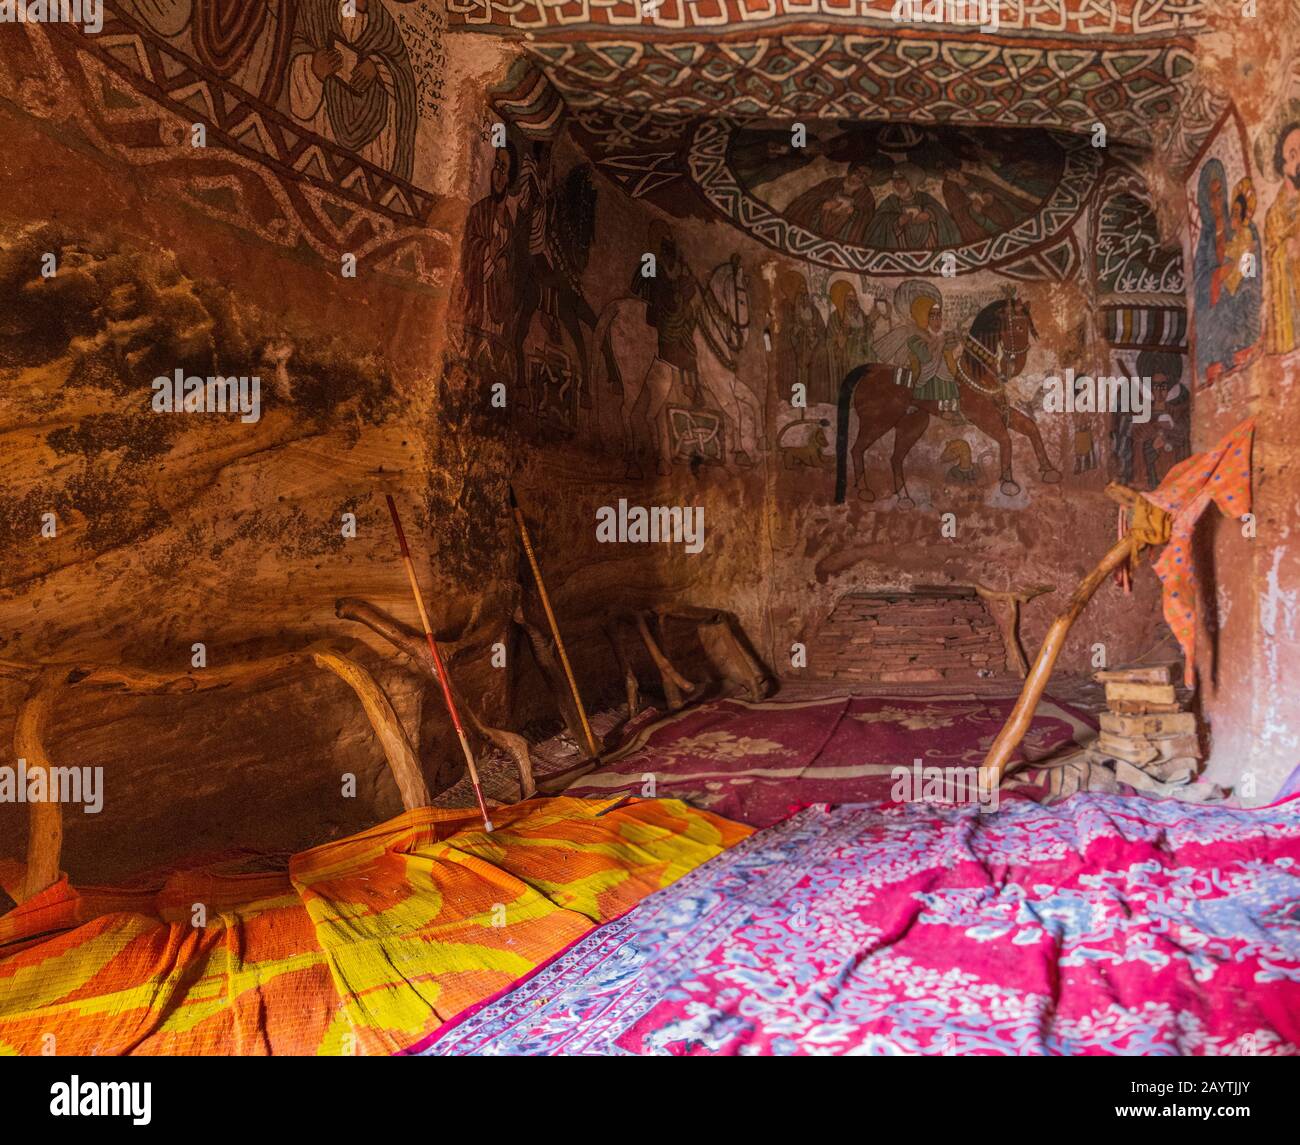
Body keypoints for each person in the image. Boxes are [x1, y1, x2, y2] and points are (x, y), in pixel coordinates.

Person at [288, 0, 417, 182]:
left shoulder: (386, 28)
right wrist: (312, 67)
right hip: (313, 147)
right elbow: (297, 46)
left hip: (371, 154)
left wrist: (378, 66)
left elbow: (404, 87)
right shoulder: (315, 6)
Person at [1265, 122, 1300, 355]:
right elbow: (1255, 264)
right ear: (1282, 163)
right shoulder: (1273, 215)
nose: (1299, 161)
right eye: (1293, 154)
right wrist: (1286, 249)